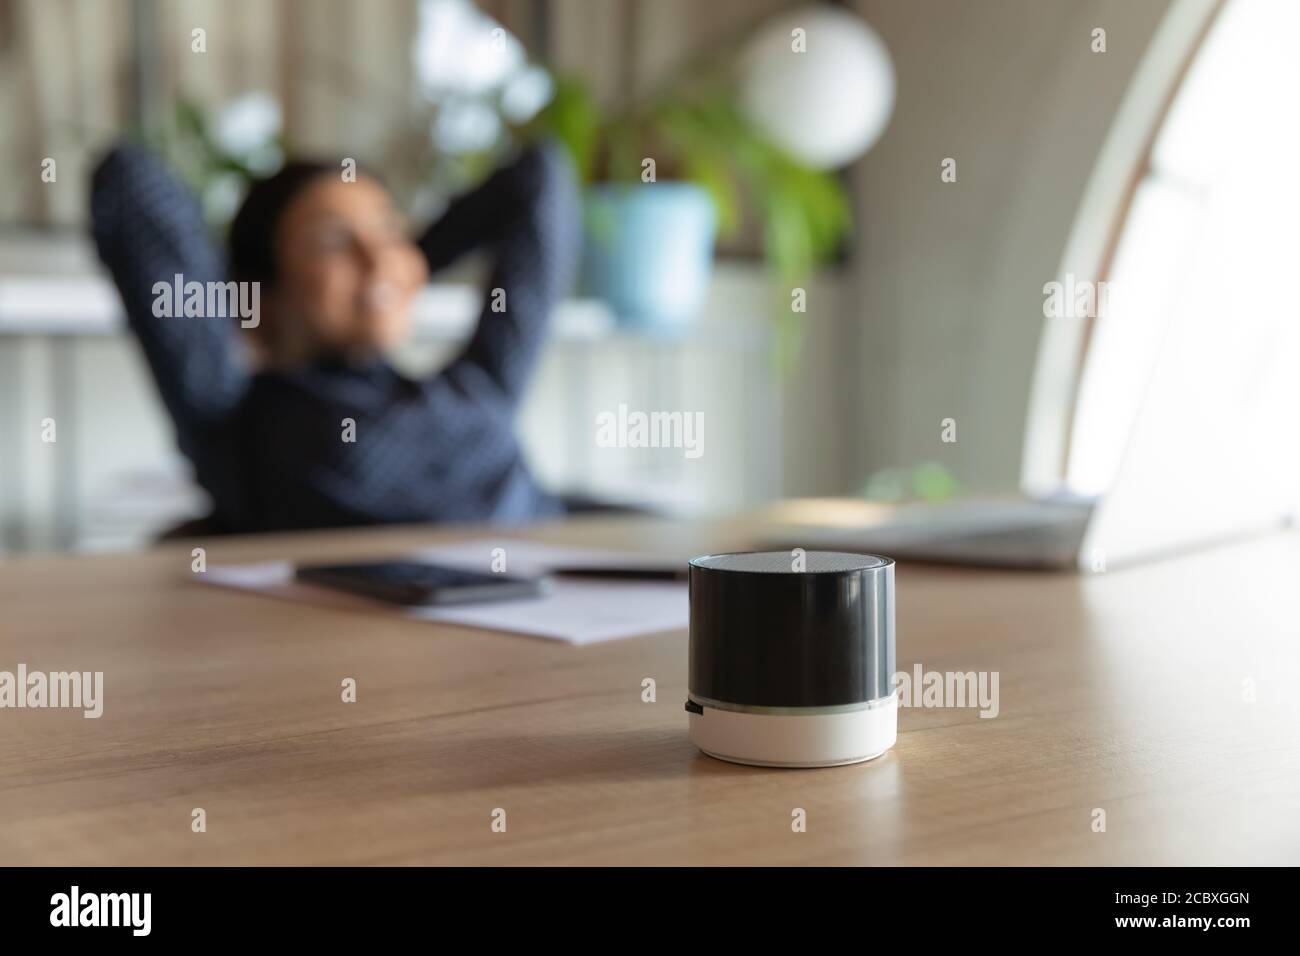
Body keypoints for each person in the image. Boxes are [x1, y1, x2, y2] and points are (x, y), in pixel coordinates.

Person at [89, 140, 579, 534]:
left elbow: (540, 178)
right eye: (331, 241)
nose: (376, 255)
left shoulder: (481, 385)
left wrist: (403, 272)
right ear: (263, 294)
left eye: (390, 231)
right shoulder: (231, 415)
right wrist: (240, 306)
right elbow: (128, 179)